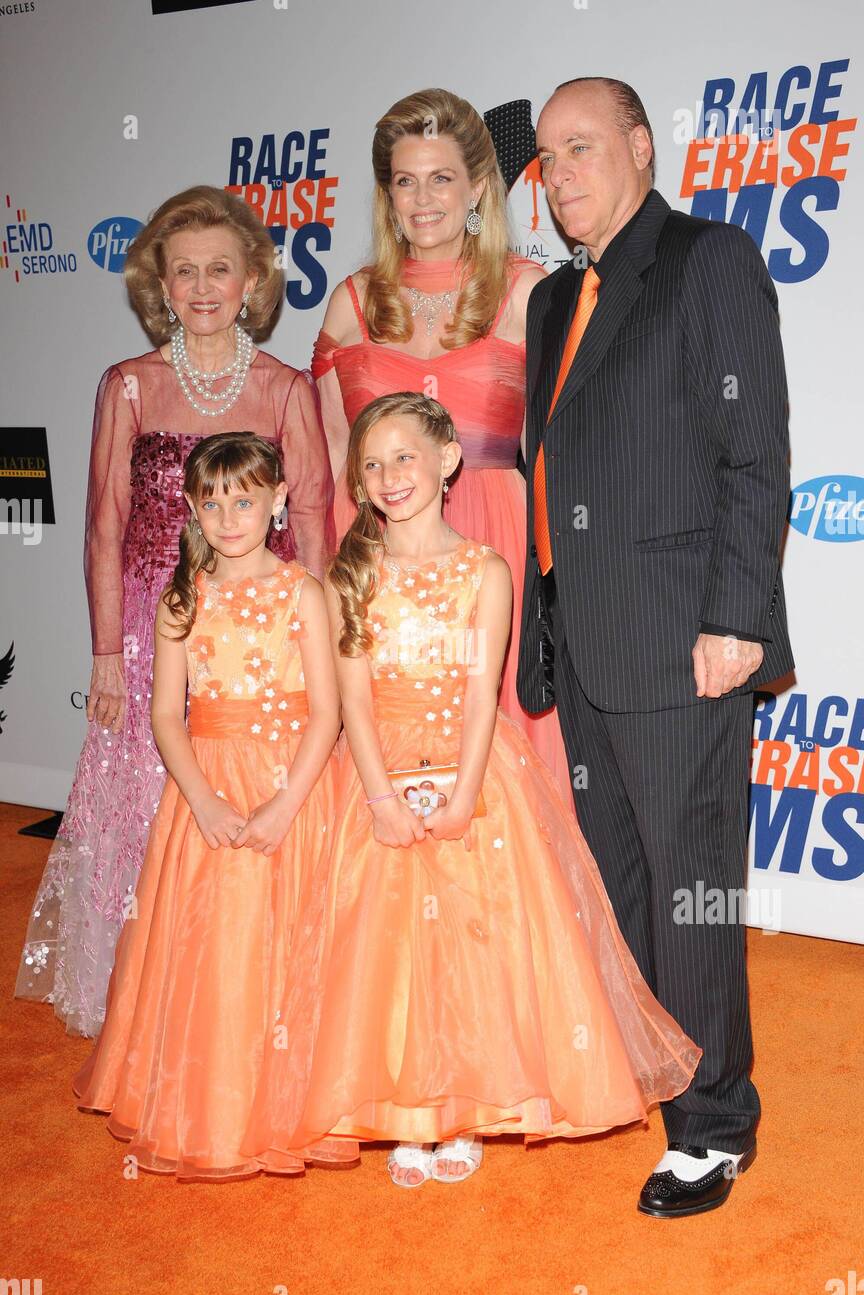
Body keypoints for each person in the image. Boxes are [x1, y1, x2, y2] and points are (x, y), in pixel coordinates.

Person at [242, 392, 703, 1189]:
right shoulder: (350, 574)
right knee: (383, 949)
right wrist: (383, 799)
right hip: (375, 777)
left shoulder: (486, 570)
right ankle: (410, 1114)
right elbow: (351, 699)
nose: (389, 476)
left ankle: (469, 1105)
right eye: (373, 463)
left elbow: (480, 687)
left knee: (474, 942)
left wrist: (459, 793)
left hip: (473, 771)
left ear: (450, 457)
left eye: (405, 456)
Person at [517, 78, 794, 1217]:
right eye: (545, 156)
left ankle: (718, 1123)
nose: (562, 172)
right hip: (583, 643)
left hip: (684, 643)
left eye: (582, 146)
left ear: (641, 145)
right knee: (627, 888)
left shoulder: (708, 259)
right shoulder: (548, 302)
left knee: (693, 893)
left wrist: (736, 618)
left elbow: (755, 452)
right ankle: (663, 1076)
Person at [15, 185, 335, 1038]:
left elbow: (310, 525)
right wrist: (108, 656)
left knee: (250, 809)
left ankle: (251, 995)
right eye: (183, 271)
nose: (201, 288)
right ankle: (154, 999)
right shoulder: (128, 387)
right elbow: (102, 527)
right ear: (159, 283)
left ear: (253, 282)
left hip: (260, 642)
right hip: (150, 631)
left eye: (219, 270)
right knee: (147, 819)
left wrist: (321, 647)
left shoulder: (285, 389)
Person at [72, 432, 356, 1180]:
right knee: (217, 949)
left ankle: (295, 1102)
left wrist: (282, 808)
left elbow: (327, 714)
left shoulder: (306, 592)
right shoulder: (181, 600)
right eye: (212, 502)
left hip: (293, 788)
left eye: (244, 498)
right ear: (192, 510)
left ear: (277, 502)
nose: (229, 516)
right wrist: (200, 800)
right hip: (207, 791)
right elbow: (168, 714)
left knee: (294, 944)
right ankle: (220, 1104)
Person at [311, 87, 572, 804]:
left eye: (441, 178)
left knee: (505, 776)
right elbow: (334, 461)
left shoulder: (526, 291)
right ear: (387, 195)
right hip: (382, 561)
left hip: (497, 549)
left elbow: (560, 451)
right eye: (404, 180)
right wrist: (343, 584)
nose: (422, 198)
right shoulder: (354, 302)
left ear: (478, 187)